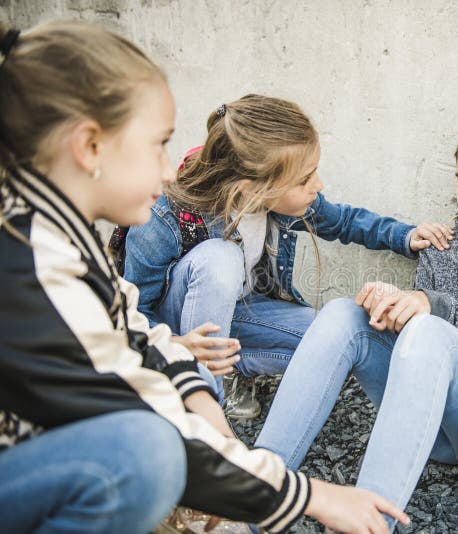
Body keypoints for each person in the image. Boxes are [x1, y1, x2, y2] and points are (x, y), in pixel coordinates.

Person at [0, 20, 409, 533]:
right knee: (148, 454)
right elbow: (134, 384)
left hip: (228, 334)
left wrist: (204, 409)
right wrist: (310, 495)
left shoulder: (54, 230)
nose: (169, 168)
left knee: (334, 329)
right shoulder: (31, 263)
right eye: (158, 145)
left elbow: (135, 330)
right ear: (90, 146)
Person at [256, 99, 458, 529]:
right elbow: (419, 343)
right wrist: (391, 306)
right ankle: (257, 488)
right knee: (341, 315)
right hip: (434, 431)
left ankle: (369, 524)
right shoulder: (444, 242)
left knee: (429, 331)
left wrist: (433, 309)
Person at [115, 94, 451, 407]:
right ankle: (203, 401)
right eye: (305, 179)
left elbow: (343, 221)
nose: (317, 185)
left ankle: (233, 368)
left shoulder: (278, 200)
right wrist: (179, 349)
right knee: (220, 256)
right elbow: (137, 314)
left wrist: (406, 236)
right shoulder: (163, 216)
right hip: (182, 331)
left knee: (339, 341)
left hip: (241, 312)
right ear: (251, 189)